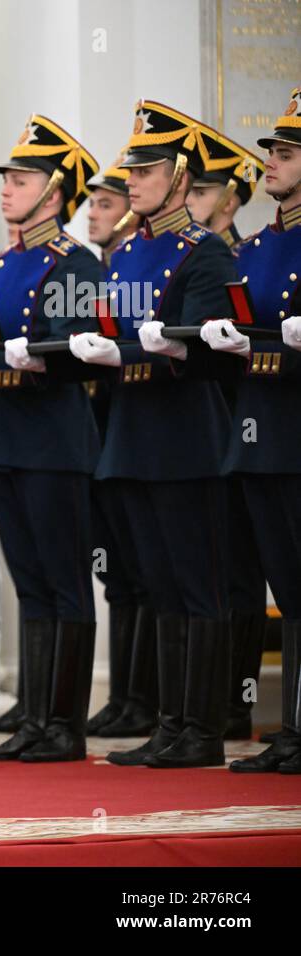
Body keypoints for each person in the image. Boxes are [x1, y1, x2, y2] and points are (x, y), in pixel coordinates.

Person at [69, 101, 240, 769]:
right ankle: (170, 724)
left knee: (198, 586)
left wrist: (144, 349)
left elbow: (206, 346)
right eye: (131, 171)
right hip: (133, 436)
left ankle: (204, 728)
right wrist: (99, 349)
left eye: (145, 171)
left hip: (185, 436)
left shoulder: (205, 250)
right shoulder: (130, 251)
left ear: (179, 179)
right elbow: (113, 332)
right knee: (160, 587)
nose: (132, 181)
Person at [0, 114, 103, 764]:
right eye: (7, 179)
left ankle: (64, 723)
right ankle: (36, 719)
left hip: (52, 439)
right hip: (2, 436)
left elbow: (73, 349)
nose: (7, 190)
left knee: (65, 581)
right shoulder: (3, 265)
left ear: (55, 191)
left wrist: (25, 355)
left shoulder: (76, 262)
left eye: (21, 180)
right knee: (30, 585)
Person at [220, 88, 301, 773]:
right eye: (272, 151)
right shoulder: (252, 248)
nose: (271, 161)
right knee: (288, 588)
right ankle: (292, 729)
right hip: (259, 430)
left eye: (287, 153)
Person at [188, 123, 270, 741]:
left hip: (248, 421)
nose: (192, 200)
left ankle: (239, 700)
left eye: (203, 191)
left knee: (245, 570)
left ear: (231, 199)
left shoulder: (240, 259)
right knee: (222, 565)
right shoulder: (194, 258)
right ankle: (210, 701)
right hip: (216, 428)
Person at [81, 156, 158, 739]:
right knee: (117, 573)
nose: (94, 214)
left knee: (146, 570)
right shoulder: (106, 272)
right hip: (103, 439)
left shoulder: (130, 271)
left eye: (107, 204)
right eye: (93, 203)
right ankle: (126, 698)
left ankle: (148, 699)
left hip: (132, 434)